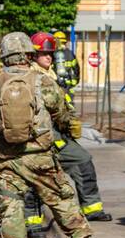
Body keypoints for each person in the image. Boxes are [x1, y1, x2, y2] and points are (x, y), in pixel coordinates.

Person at [0, 32, 100, 238]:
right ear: (29, 55)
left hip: (7, 160)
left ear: (5, 56)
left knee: (11, 212)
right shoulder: (43, 81)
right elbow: (63, 114)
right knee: (62, 200)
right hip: (41, 157)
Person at [29, 31, 110, 223]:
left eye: (51, 53)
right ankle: (32, 223)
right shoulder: (32, 78)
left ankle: (92, 209)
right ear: (33, 55)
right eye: (44, 53)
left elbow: (62, 105)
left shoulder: (51, 75)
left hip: (57, 136)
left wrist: (71, 121)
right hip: (38, 138)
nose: (49, 56)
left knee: (83, 160)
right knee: (34, 177)